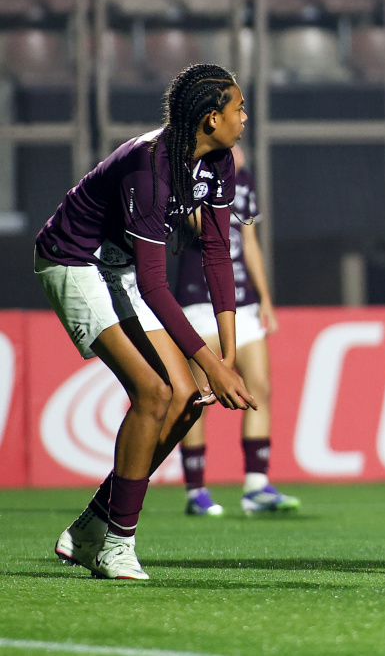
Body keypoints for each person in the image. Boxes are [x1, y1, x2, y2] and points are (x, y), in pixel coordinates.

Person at [37, 63, 255, 580]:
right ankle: (116, 545)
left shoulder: (218, 161)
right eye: (238, 108)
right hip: (75, 261)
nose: (245, 118)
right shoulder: (150, 167)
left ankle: (94, 523)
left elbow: (218, 253)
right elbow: (157, 287)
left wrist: (224, 358)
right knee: (154, 393)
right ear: (209, 118)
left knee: (189, 394)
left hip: (121, 267)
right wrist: (215, 365)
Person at [175, 145, 300, 517]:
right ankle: (195, 490)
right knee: (201, 396)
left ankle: (256, 488)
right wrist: (214, 177)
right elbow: (197, 227)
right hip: (199, 299)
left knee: (259, 387)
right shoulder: (187, 176)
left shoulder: (243, 179)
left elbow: (248, 241)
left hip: (243, 303)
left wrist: (265, 298)